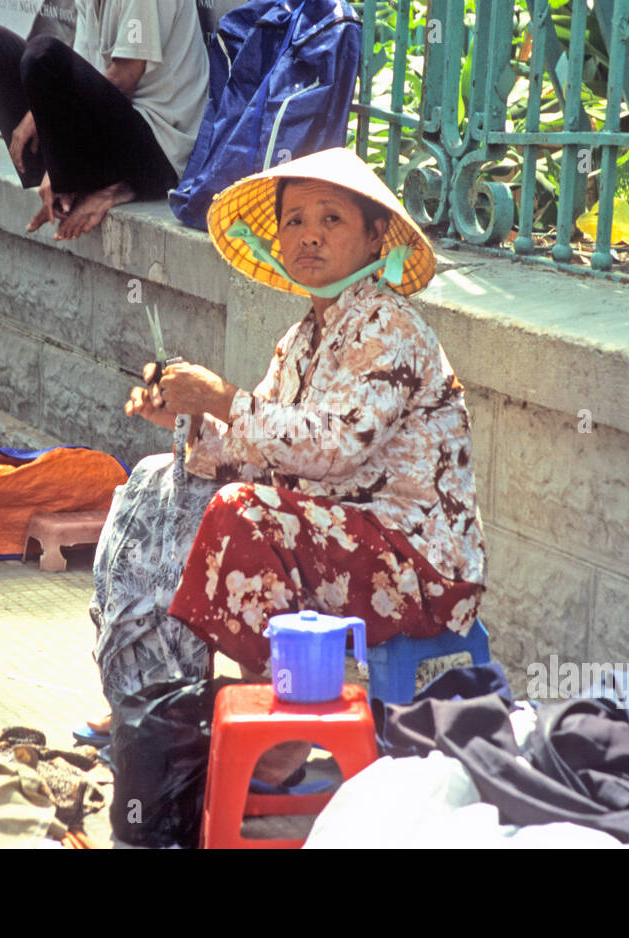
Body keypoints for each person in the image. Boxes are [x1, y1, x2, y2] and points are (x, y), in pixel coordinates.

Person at [89, 148, 487, 780]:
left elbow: (333, 447)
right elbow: (256, 446)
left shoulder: (391, 327)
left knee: (245, 518)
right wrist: (185, 418)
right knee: (153, 482)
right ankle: (151, 691)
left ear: (375, 235)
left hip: (417, 563)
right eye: (295, 220)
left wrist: (222, 396)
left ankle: (283, 734)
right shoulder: (302, 339)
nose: (309, 236)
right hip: (341, 539)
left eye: (331, 220)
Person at [0, 0, 209, 241]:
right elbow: (80, 70)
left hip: (158, 153)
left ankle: (90, 181)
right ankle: (69, 183)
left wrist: (56, 148)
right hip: (115, 136)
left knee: (42, 56)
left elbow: (126, 77)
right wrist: (47, 129)